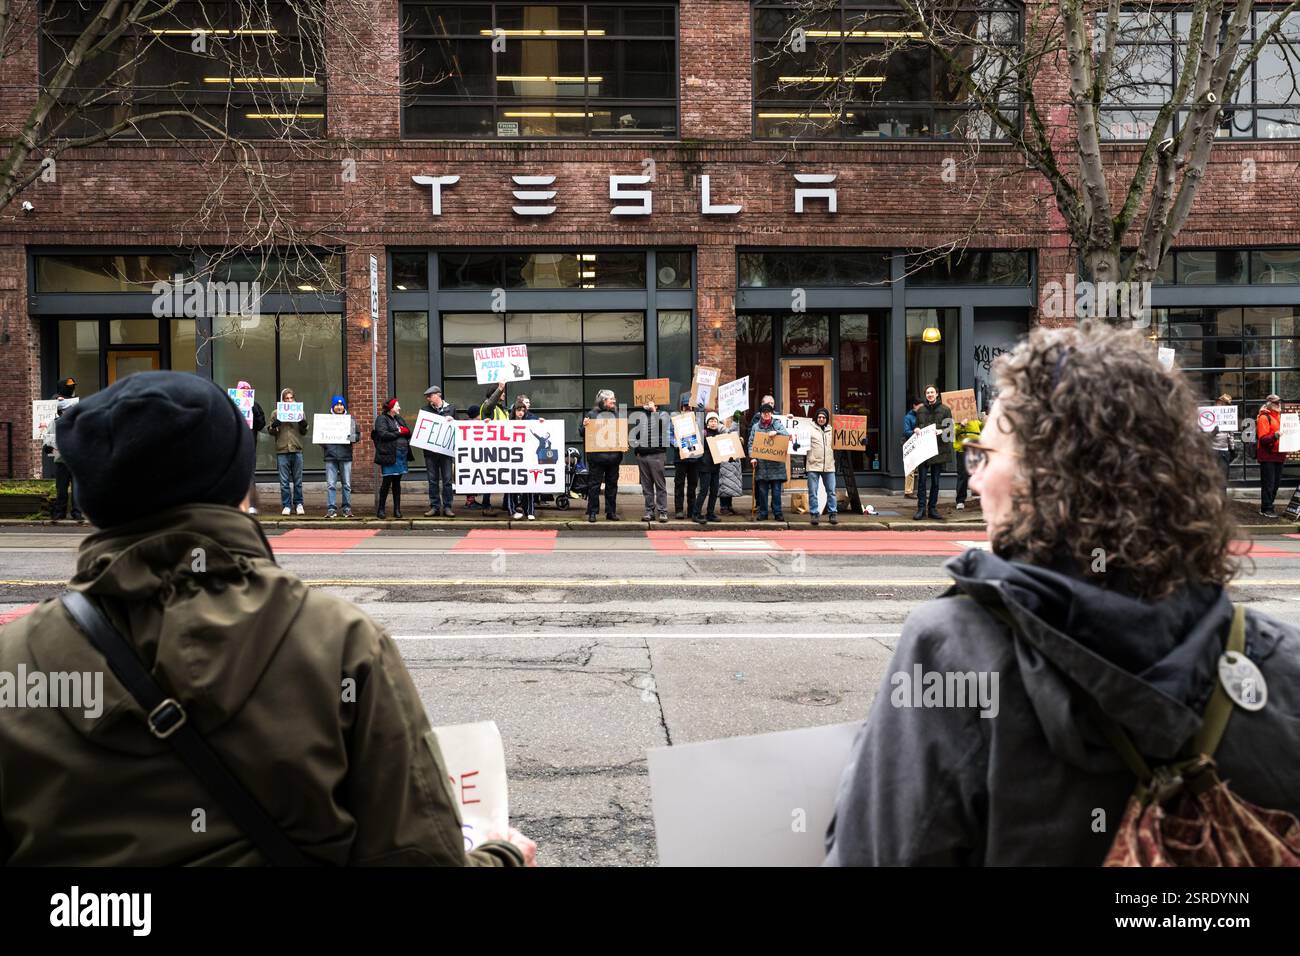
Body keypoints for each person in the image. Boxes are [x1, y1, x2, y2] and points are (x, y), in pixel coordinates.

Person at [0, 371, 536, 866]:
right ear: (240, 486)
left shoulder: (15, 660)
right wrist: (501, 858)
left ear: (93, 501)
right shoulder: (339, 643)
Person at [824, 321, 1300, 866]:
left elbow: (876, 852)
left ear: (1049, 475)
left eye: (987, 453)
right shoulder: (1275, 660)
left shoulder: (953, 649)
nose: (975, 480)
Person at [580, 388, 622, 523]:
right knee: (594, 486)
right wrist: (584, 426)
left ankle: (611, 512)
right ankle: (592, 512)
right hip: (597, 458)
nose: (614, 401)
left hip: (613, 458)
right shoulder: (591, 414)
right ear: (604, 401)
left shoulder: (616, 414)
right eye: (611, 399)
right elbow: (582, 433)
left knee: (612, 486)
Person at [912, 385, 953, 521]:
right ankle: (921, 509)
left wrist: (941, 431)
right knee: (922, 481)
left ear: (937, 394)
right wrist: (916, 429)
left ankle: (933, 509)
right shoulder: (921, 410)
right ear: (926, 395)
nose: (930, 394)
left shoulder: (945, 410)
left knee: (935, 482)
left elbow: (950, 429)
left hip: (939, 450)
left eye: (932, 392)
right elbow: (917, 425)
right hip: (923, 450)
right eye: (928, 393)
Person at [45, 376, 82, 521]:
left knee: (76, 488)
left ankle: (76, 512)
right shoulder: (55, 421)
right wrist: (47, 446)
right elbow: (49, 435)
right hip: (61, 459)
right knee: (61, 488)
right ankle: (60, 512)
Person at [268, 387, 309, 515]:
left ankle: (299, 503)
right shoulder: (276, 413)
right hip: (282, 450)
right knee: (284, 481)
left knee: (298, 480)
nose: (289, 400)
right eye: (287, 398)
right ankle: (286, 505)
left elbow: (304, 431)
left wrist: (303, 423)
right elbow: (270, 431)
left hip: (296, 449)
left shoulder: (299, 412)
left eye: (291, 398)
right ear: (283, 400)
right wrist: (274, 426)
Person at [373, 397, 412, 519]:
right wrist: (399, 431)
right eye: (397, 406)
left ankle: (397, 510)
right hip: (389, 454)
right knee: (386, 482)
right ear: (391, 408)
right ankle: (381, 509)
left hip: (401, 454)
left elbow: (408, 432)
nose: (399, 408)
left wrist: (400, 431)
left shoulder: (399, 418)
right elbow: (383, 434)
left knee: (397, 483)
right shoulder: (381, 419)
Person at [632, 399, 671, 523]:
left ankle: (663, 511)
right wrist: (637, 451)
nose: (647, 403)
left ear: (657, 403)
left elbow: (663, 426)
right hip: (642, 455)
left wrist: (654, 411)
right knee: (646, 486)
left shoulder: (663, 414)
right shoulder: (640, 417)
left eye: (650, 402)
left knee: (660, 485)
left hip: (657, 454)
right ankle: (649, 511)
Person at [749, 402, 789, 520]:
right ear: (761, 414)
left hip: (776, 465)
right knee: (762, 491)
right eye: (764, 413)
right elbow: (751, 443)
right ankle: (763, 513)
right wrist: (753, 457)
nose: (766, 415)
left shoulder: (777, 424)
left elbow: (786, 435)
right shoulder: (756, 427)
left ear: (771, 413)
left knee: (776, 491)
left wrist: (777, 432)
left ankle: (778, 513)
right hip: (762, 464)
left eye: (768, 413)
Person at [322, 393, 360, 518]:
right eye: (337, 404)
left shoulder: (350, 420)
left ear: (344, 407)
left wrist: (352, 437)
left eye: (341, 404)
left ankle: (347, 508)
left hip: (345, 455)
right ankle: (331, 509)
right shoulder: (326, 420)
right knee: (331, 484)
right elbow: (320, 436)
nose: (339, 407)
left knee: (347, 484)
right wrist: (326, 445)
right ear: (333, 406)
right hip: (330, 456)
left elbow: (357, 436)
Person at [421, 386, 457, 518]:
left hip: (445, 451)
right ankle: (435, 506)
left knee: (447, 480)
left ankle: (447, 506)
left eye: (430, 396)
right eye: (428, 397)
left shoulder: (451, 408)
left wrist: (452, 421)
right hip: (430, 452)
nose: (428, 399)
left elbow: (456, 428)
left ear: (438, 395)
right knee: (433, 480)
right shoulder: (425, 410)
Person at [233, 380, 266, 514]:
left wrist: (253, 410)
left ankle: (251, 504)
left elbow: (261, 424)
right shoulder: (232, 405)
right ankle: (237, 503)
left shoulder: (255, 405)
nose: (244, 393)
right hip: (235, 446)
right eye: (242, 390)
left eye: (247, 390)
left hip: (250, 445)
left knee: (250, 475)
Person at [475, 383, 508, 517]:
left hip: (503, 446)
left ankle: (507, 503)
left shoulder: (502, 409)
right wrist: (499, 389)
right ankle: (486, 505)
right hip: (492, 447)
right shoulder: (488, 407)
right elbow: (490, 405)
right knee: (490, 476)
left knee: (507, 475)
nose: (504, 394)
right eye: (502, 392)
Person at [504, 397, 538, 520]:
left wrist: (542, 423)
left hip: (526, 458)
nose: (521, 413)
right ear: (514, 411)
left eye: (523, 411)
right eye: (519, 410)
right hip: (512, 458)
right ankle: (512, 510)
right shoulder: (507, 423)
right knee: (511, 485)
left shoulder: (529, 423)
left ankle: (530, 511)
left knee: (529, 485)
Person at [805, 406, 838, 526]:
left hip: (829, 466)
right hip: (813, 465)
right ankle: (814, 514)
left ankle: (833, 513)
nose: (821, 419)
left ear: (827, 419)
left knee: (831, 491)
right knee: (813, 492)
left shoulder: (832, 431)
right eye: (819, 417)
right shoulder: (809, 429)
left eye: (824, 417)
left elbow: (842, 441)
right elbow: (797, 433)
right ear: (816, 418)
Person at [1256, 393, 1286, 518]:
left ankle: (1269, 506)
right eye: (1275, 403)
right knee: (1269, 483)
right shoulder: (1264, 417)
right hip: (1268, 455)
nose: (1278, 404)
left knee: (1276, 483)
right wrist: (1275, 436)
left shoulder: (1280, 417)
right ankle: (1266, 508)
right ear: (1269, 404)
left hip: (1279, 454)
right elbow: (1263, 439)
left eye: (1279, 402)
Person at [672, 392, 700, 520]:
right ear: (681, 407)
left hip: (695, 457)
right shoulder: (676, 420)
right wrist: (677, 444)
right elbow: (669, 435)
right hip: (680, 457)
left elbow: (702, 435)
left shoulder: (698, 420)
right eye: (685, 407)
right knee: (679, 484)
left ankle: (691, 510)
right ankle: (679, 510)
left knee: (693, 484)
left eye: (689, 407)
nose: (687, 409)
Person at [693, 411, 724, 524]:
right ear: (707, 423)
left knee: (714, 491)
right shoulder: (703, 434)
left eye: (715, 421)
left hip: (715, 466)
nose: (713, 423)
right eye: (711, 421)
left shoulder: (720, 435)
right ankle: (696, 513)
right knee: (704, 490)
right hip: (704, 466)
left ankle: (710, 513)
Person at [953, 409, 984, 511]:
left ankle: (980, 498)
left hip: (976, 450)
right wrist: (961, 425)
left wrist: (985, 421)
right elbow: (953, 432)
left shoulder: (975, 419)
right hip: (963, 450)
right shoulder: (957, 419)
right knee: (963, 475)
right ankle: (960, 500)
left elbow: (983, 430)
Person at [1208, 392, 1236, 488]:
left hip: (1224, 451)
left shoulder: (1229, 416)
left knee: (1223, 478)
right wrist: (1213, 433)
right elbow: (1203, 435)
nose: (1220, 404)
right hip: (1212, 450)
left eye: (1223, 403)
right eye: (1220, 402)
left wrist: (1232, 448)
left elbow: (1231, 434)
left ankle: (1222, 500)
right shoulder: (1210, 414)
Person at [718, 413, 744, 515]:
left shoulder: (734, 423)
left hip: (733, 456)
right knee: (724, 483)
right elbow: (729, 434)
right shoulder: (719, 424)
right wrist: (735, 422)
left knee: (731, 483)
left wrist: (739, 439)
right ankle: (723, 507)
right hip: (724, 456)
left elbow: (734, 436)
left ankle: (729, 506)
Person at [902, 398, 922, 499]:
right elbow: (906, 431)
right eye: (920, 406)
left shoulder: (922, 416)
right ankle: (908, 491)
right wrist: (915, 431)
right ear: (915, 406)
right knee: (911, 468)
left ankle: (917, 491)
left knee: (919, 469)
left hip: (920, 445)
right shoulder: (908, 417)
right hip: (911, 445)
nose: (922, 408)